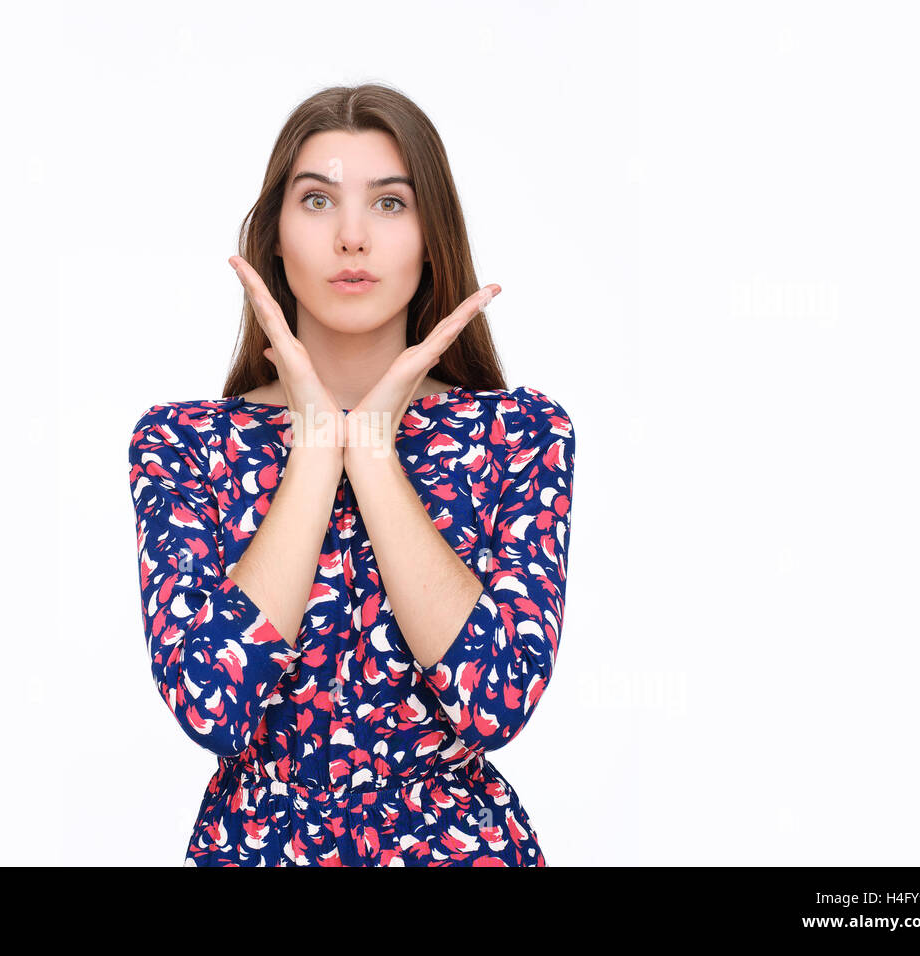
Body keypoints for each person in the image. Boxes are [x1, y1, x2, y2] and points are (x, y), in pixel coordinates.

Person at [127, 83, 576, 866]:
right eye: (317, 201)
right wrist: (313, 451)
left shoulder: (519, 434)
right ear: (272, 238)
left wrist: (370, 448)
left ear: (433, 236)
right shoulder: (185, 444)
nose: (352, 237)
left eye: (391, 204)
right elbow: (214, 707)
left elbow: (493, 700)